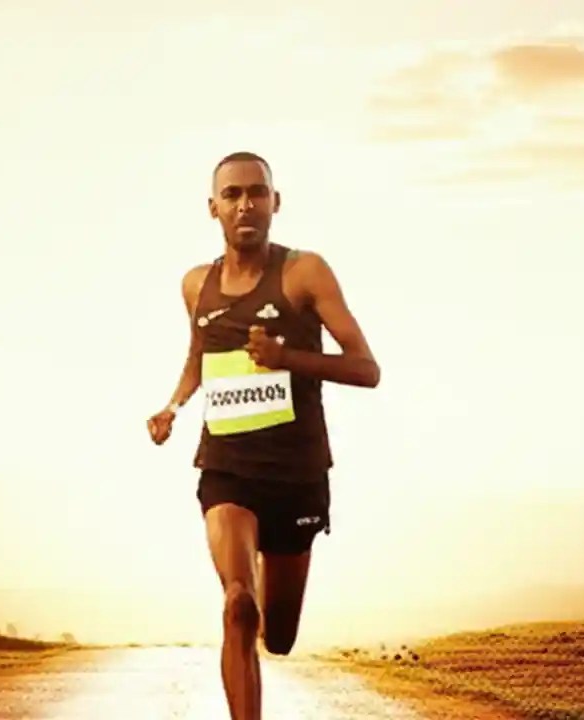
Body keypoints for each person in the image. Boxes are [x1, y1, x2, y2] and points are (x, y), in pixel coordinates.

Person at [146, 151, 380, 719]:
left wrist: (286, 357)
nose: (244, 204)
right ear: (213, 208)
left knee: (277, 635)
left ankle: (269, 625)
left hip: (298, 477)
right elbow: (200, 358)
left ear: (276, 202)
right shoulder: (195, 285)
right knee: (237, 604)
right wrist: (173, 405)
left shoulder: (304, 273)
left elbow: (366, 369)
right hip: (226, 467)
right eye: (231, 195)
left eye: (256, 192)